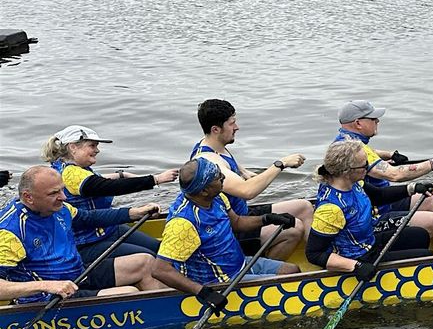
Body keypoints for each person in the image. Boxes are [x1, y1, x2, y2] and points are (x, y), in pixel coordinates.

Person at [0, 166, 160, 304]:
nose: (63, 197)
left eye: (62, 189)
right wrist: (47, 286)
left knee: (145, 262)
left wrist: (133, 213)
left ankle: (167, 310)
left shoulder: (61, 208)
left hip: (77, 274)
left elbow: (89, 218)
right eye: (54, 193)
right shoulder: (9, 233)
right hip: (49, 297)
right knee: (129, 293)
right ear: (28, 197)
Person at [152, 158, 300, 306]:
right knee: (290, 281)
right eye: (217, 177)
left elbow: (237, 222)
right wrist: (202, 292)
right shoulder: (182, 224)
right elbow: (160, 270)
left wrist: (267, 219)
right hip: (218, 282)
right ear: (204, 191)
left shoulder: (217, 197)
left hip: (239, 264)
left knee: (292, 270)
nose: (223, 177)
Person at [191, 99, 312, 260]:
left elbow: (231, 167)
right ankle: (267, 270)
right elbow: (246, 191)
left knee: (305, 207)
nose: (237, 127)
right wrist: (280, 164)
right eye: (232, 123)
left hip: (242, 213)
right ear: (215, 129)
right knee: (294, 229)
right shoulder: (210, 162)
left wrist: (244, 172)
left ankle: (316, 256)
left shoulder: (212, 144)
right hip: (231, 229)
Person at [42, 124, 178, 263]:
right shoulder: (71, 173)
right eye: (92, 146)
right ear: (73, 147)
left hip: (107, 229)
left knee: (159, 249)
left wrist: (121, 175)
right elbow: (106, 187)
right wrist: (156, 179)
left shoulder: (69, 167)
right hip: (88, 241)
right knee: (152, 257)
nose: (97, 150)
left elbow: (95, 180)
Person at [332, 99, 433, 253]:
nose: (377, 121)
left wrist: (390, 155)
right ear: (358, 123)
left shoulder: (345, 142)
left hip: (380, 200)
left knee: (429, 199)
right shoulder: (355, 149)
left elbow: (370, 152)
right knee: (432, 221)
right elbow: (395, 174)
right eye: (373, 118)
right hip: (373, 213)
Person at [306, 141, 433, 275]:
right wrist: (356, 266)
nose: (368, 168)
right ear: (347, 171)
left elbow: (379, 196)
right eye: (364, 165)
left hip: (369, 242)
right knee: (429, 257)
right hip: (358, 259)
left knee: (420, 235)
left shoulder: (353, 183)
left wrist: (412, 188)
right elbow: (314, 254)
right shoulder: (331, 210)